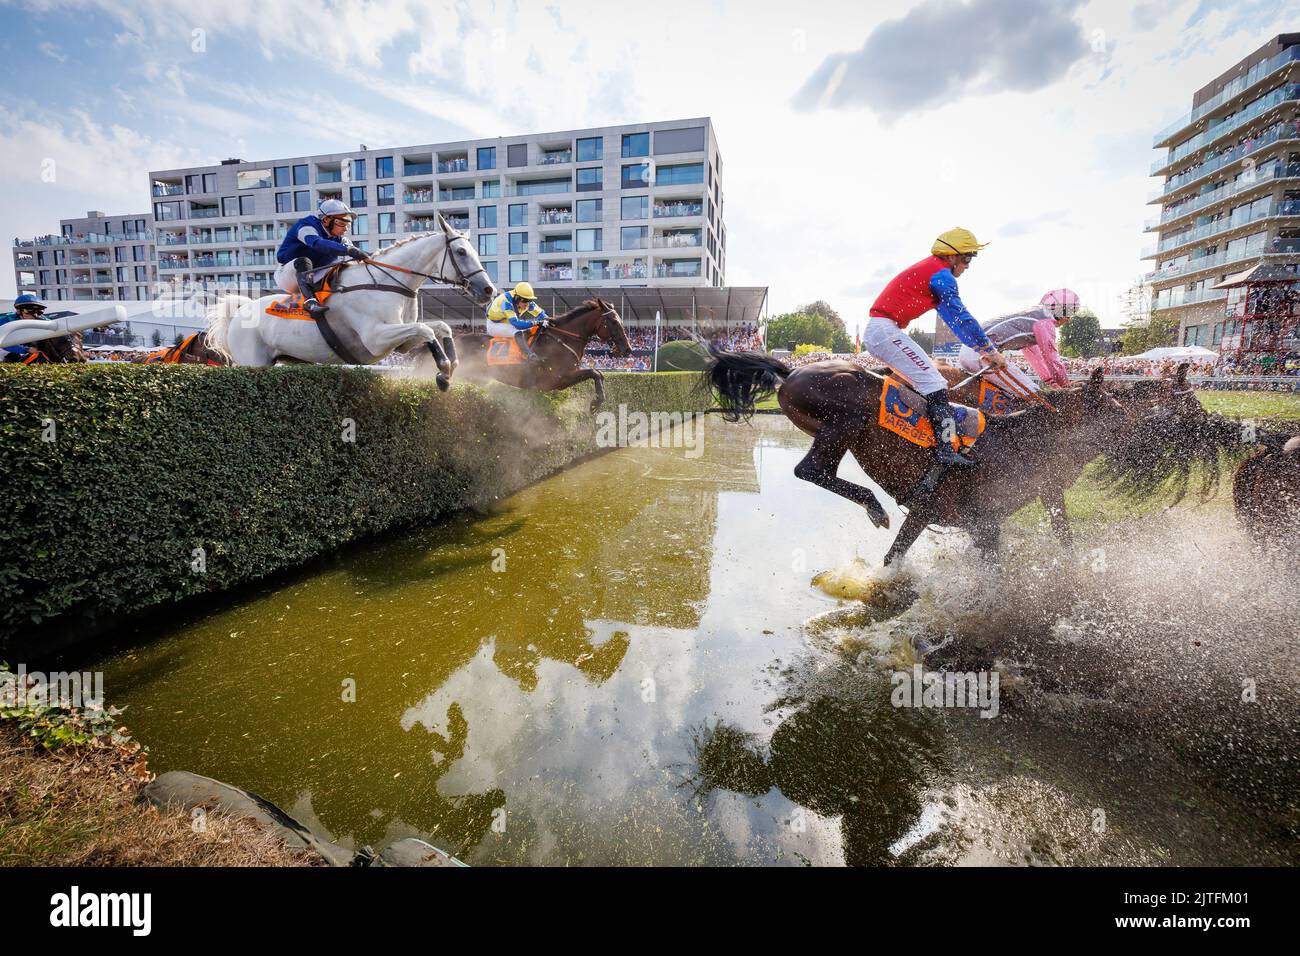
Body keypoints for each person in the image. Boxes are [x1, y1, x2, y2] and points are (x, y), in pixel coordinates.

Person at [865, 228, 1007, 467]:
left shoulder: (933, 271)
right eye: (966, 258)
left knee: (930, 383)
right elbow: (960, 317)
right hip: (884, 330)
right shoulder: (942, 275)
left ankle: (924, 436)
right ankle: (945, 449)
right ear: (951, 256)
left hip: (885, 330)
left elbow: (954, 321)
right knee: (935, 383)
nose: (968, 265)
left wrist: (983, 348)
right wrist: (989, 350)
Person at [956, 289, 1078, 391]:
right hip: (980, 354)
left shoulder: (1036, 315)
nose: (1069, 319)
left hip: (969, 351)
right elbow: (1052, 359)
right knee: (1034, 392)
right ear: (1062, 311)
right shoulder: (1045, 322)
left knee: (1026, 391)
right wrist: (1065, 385)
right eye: (1070, 313)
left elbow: (1034, 356)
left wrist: (1050, 381)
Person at [274, 199, 367, 318]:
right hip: (288, 275)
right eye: (342, 223)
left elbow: (354, 251)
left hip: (314, 274)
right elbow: (317, 243)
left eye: (348, 224)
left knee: (342, 265)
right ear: (326, 220)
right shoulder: (306, 226)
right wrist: (347, 250)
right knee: (304, 261)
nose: (345, 229)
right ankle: (310, 302)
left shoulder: (340, 238)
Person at [485, 282, 549, 363]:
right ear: (516, 298)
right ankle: (528, 355)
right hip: (493, 325)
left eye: (530, 300)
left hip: (507, 322)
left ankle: (533, 350)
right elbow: (517, 324)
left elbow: (542, 315)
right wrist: (535, 322)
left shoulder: (526, 302)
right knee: (517, 331)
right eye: (525, 301)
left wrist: (546, 320)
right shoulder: (505, 302)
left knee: (531, 329)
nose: (527, 304)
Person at [0, 293, 48, 362]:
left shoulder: (44, 319)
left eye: (39, 312)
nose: (35, 315)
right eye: (29, 311)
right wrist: (26, 349)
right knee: (12, 356)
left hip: (31, 349)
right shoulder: (5, 321)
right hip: (7, 349)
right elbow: (4, 343)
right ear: (18, 311)